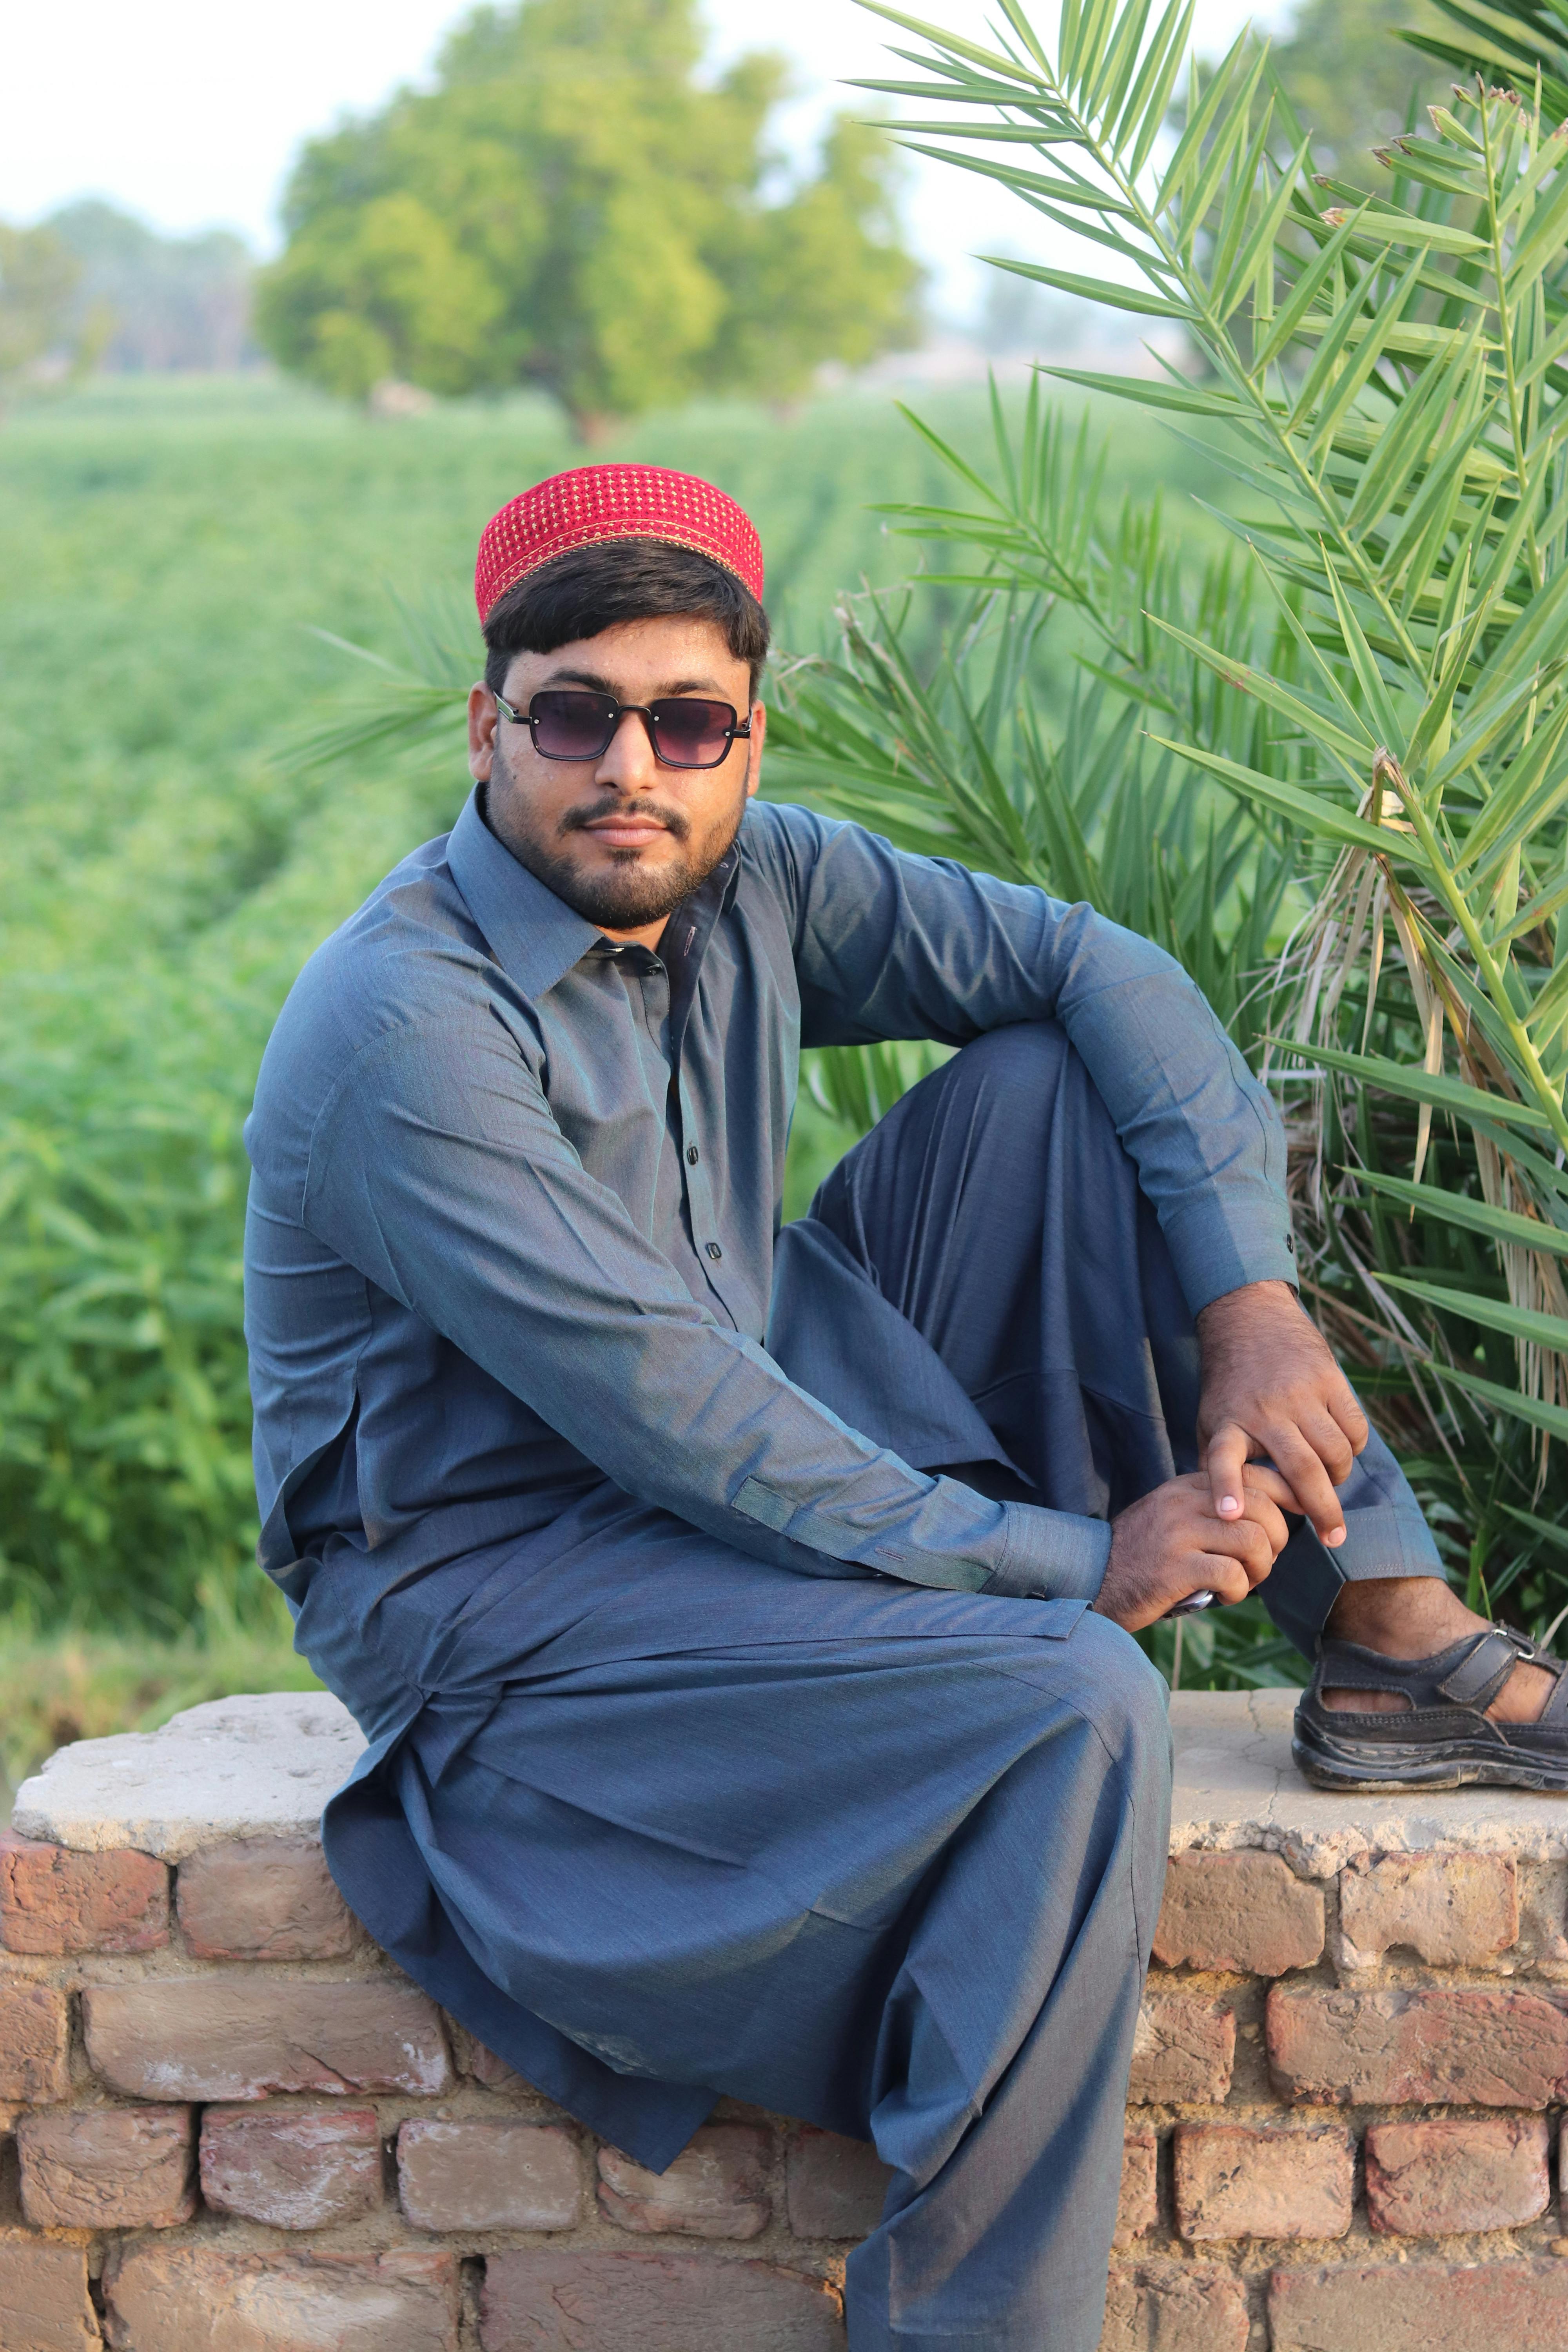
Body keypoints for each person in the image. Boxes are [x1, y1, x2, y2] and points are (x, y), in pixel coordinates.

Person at [243, 463, 1568, 2351]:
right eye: (575, 714)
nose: (634, 765)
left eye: (687, 720)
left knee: (1050, 1079)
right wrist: (1062, 1564)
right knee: (1070, 1693)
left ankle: (1381, 1635)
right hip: (500, 1591)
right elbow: (677, 1410)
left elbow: (1102, 969)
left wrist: (1249, 1304)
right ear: (489, 728)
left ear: (745, 743)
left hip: (741, 1423)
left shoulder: (757, 879)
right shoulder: (406, 1029)